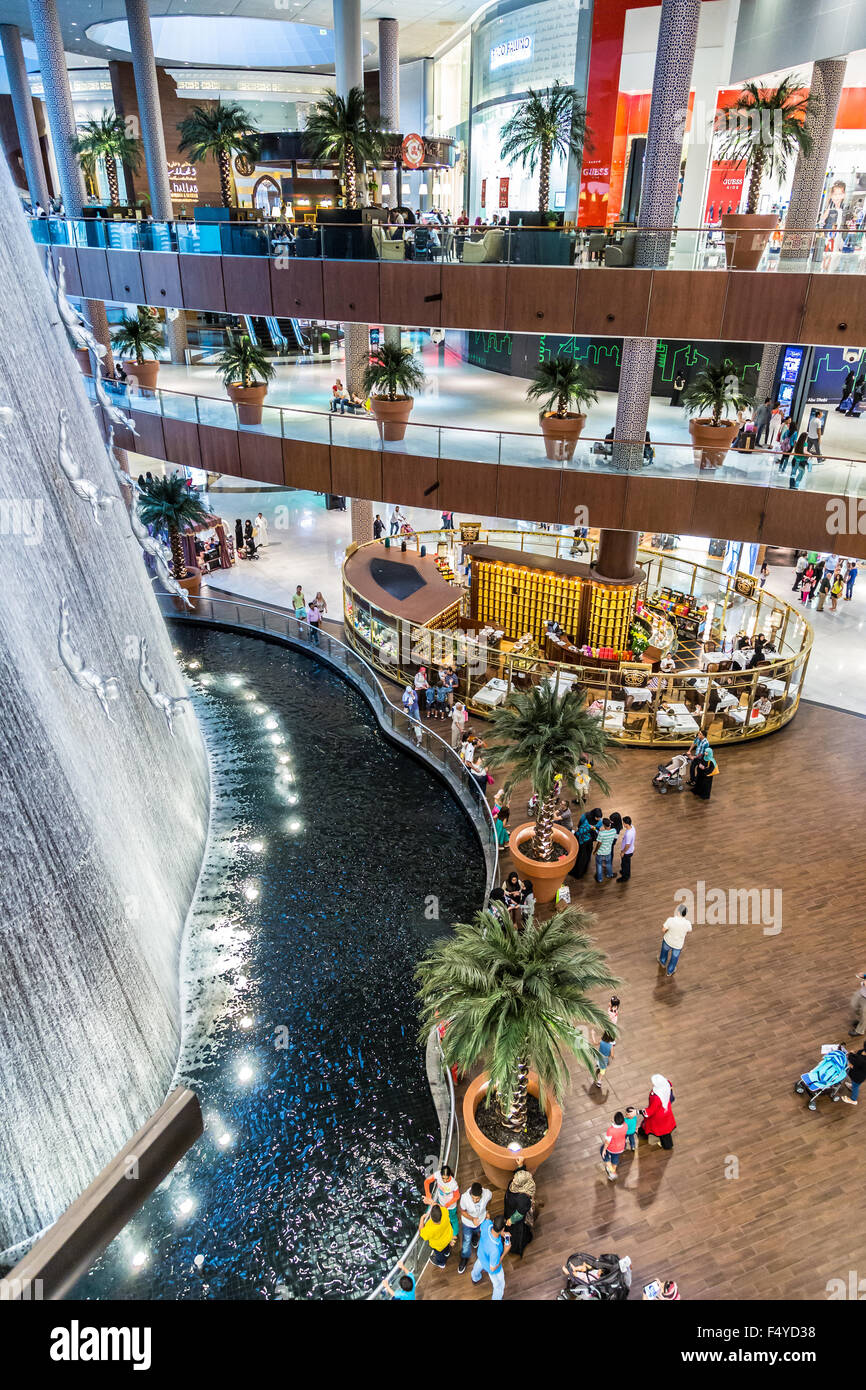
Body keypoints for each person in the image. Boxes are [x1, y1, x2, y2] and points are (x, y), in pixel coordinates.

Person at [470, 1214, 510, 1300]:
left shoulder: (487, 1224)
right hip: (491, 1266)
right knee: (499, 1285)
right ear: (503, 1229)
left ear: (493, 1222)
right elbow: (492, 1268)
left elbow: (485, 1226)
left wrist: (501, 1233)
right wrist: (505, 1252)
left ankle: (475, 1278)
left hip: (481, 1255)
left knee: (477, 1267)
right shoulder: (495, 1250)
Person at [458, 1181, 492, 1273]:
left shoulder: (487, 1193)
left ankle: (475, 1238)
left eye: (477, 1199)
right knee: (466, 1241)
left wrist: (487, 1211)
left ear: (481, 1195)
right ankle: (464, 1258)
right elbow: (463, 1211)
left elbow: (489, 1200)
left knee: (477, 1232)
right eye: (473, 1198)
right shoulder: (464, 1198)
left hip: (480, 1220)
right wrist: (472, 1219)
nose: (475, 1200)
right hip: (468, 1222)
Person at [503, 1165, 536, 1255]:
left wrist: (511, 1220)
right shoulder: (522, 1182)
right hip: (510, 1209)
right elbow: (520, 1175)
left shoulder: (523, 1199)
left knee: (516, 1232)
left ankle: (515, 1248)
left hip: (515, 1219)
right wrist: (520, 1165)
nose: (513, 1181)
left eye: (516, 1181)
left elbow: (520, 1213)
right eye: (514, 1178)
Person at [424, 1164, 460, 1242]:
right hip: (441, 1202)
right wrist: (428, 1195)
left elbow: (457, 1196)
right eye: (443, 1178)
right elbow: (427, 1182)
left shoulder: (454, 1184)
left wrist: (446, 1205)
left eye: (447, 1178)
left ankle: (455, 1233)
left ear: (450, 1175)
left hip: (450, 1206)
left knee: (453, 1219)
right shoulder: (437, 1175)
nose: (445, 1181)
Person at [639, 1075, 677, 1150]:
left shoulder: (656, 1097)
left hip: (657, 1117)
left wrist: (638, 1112)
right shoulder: (667, 1083)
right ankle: (668, 1145)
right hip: (666, 1112)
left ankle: (642, 1134)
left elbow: (650, 1111)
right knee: (666, 1131)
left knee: (649, 1126)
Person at [659, 903, 692, 977]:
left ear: (678, 912)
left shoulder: (670, 920)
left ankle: (662, 962)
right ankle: (670, 971)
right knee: (674, 959)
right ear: (685, 914)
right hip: (678, 945)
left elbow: (663, 930)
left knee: (664, 952)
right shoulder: (687, 923)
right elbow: (689, 930)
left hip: (668, 940)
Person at [418, 1204, 453, 1268]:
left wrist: (422, 1218)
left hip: (438, 1246)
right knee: (446, 1247)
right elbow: (440, 1206)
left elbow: (421, 1232)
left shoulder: (429, 1229)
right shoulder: (444, 1212)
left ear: (431, 1216)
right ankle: (447, 1252)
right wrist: (432, 1202)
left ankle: (441, 1263)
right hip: (448, 1237)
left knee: (439, 1254)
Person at [600, 1109, 628, 1180]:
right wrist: (615, 1122)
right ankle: (613, 1173)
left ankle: (611, 1170)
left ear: (615, 1120)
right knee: (615, 1158)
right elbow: (623, 1121)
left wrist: (604, 1150)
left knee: (602, 1151)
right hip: (621, 1147)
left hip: (611, 1148)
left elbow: (607, 1142)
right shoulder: (625, 1126)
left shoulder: (611, 1130)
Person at [573, 810, 596, 880]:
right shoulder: (590, 826)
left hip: (583, 843)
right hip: (589, 843)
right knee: (586, 857)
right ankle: (584, 870)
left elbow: (577, 834)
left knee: (581, 858)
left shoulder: (585, 826)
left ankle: (579, 873)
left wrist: (575, 831)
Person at [594, 816, 617, 883]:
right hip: (608, 851)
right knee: (608, 864)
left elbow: (599, 844)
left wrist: (595, 851)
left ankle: (600, 879)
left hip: (600, 852)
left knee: (599, 865)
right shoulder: (614, 831)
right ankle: (609, 874)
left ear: (603, 825)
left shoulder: (601, 834)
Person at [618, 815, 635, 882]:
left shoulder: (628, 834)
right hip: (630, 849)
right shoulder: (632, 827)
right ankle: (623, 871)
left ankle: (625, 877)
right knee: (624, 863)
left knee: (626, 865)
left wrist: (623, 852)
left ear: (626, 824)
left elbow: (627, 845)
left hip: (627, 852)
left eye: (623, 823)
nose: (623, 824)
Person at [850, 971, 866, 1036]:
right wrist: (864, 975)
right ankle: (862, 1021)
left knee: (864, 1014)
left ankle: (860, 1031)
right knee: (854, 1005)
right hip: (862, 992)